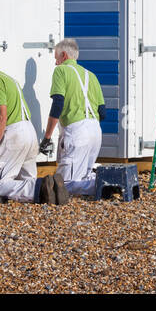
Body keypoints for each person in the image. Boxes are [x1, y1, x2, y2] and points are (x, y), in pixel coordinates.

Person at [0, 59, 68, 205]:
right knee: (26, 178)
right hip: (29, 134)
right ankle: (48, 190)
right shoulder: (6, 78)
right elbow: (12, 114)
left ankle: (41, 186)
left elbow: (2, 116)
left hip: (14, 138)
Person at [38, 38, 105, 198]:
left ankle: (106, 186)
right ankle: (100, 184)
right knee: (83, 176)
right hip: (95, 129)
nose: (55, 63)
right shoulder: (91, 75)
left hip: (76, 130)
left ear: (64, 55)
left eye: (56, 58)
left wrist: (47, 137)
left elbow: (58, 103)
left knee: (64, 184)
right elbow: (102, 112)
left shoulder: (61, 71)